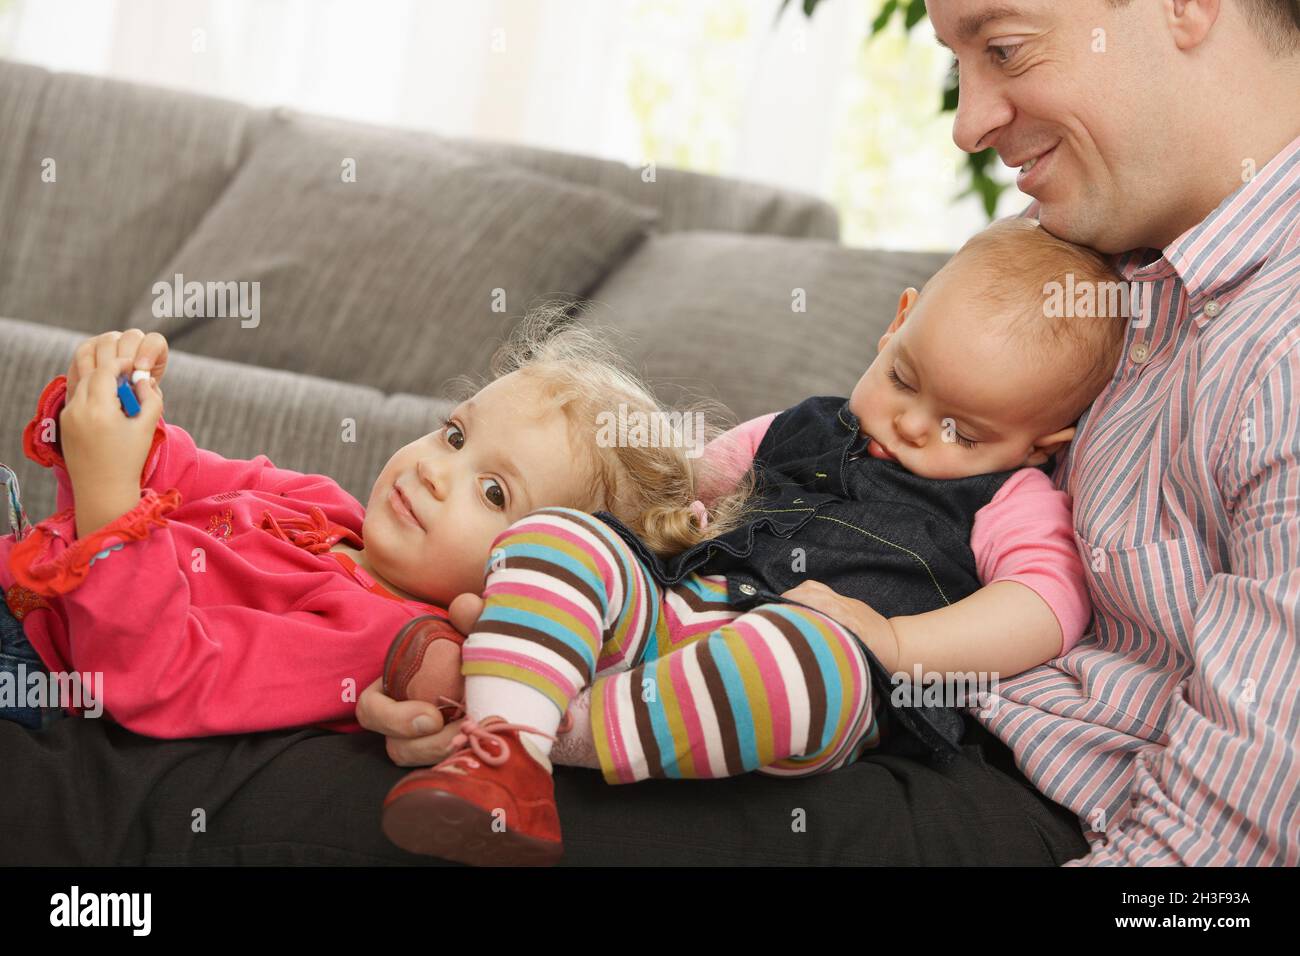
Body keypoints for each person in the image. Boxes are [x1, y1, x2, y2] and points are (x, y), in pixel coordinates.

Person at [374, 218, 1126, 865]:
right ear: (897, 322)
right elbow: (675, 487)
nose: (912, 425)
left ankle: (540, 733)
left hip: (811, 681)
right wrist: (625, 551)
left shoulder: (1011, 498)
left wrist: (897, 644)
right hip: (676, 619)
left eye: (963, 430)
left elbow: (1044, 606)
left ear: (1039, 444)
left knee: (808, 657)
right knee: (562, 534)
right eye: (903, 379)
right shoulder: (796, 425)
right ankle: (503, 747)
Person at [0, 314, 750, 737]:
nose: (433, 468)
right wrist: (115, 410)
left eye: (493, 493)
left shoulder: (379, 638)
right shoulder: (326, 507)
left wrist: (106, 495)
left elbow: (161, 679)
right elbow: (178, 474)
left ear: (536, 573)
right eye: (455, 435)